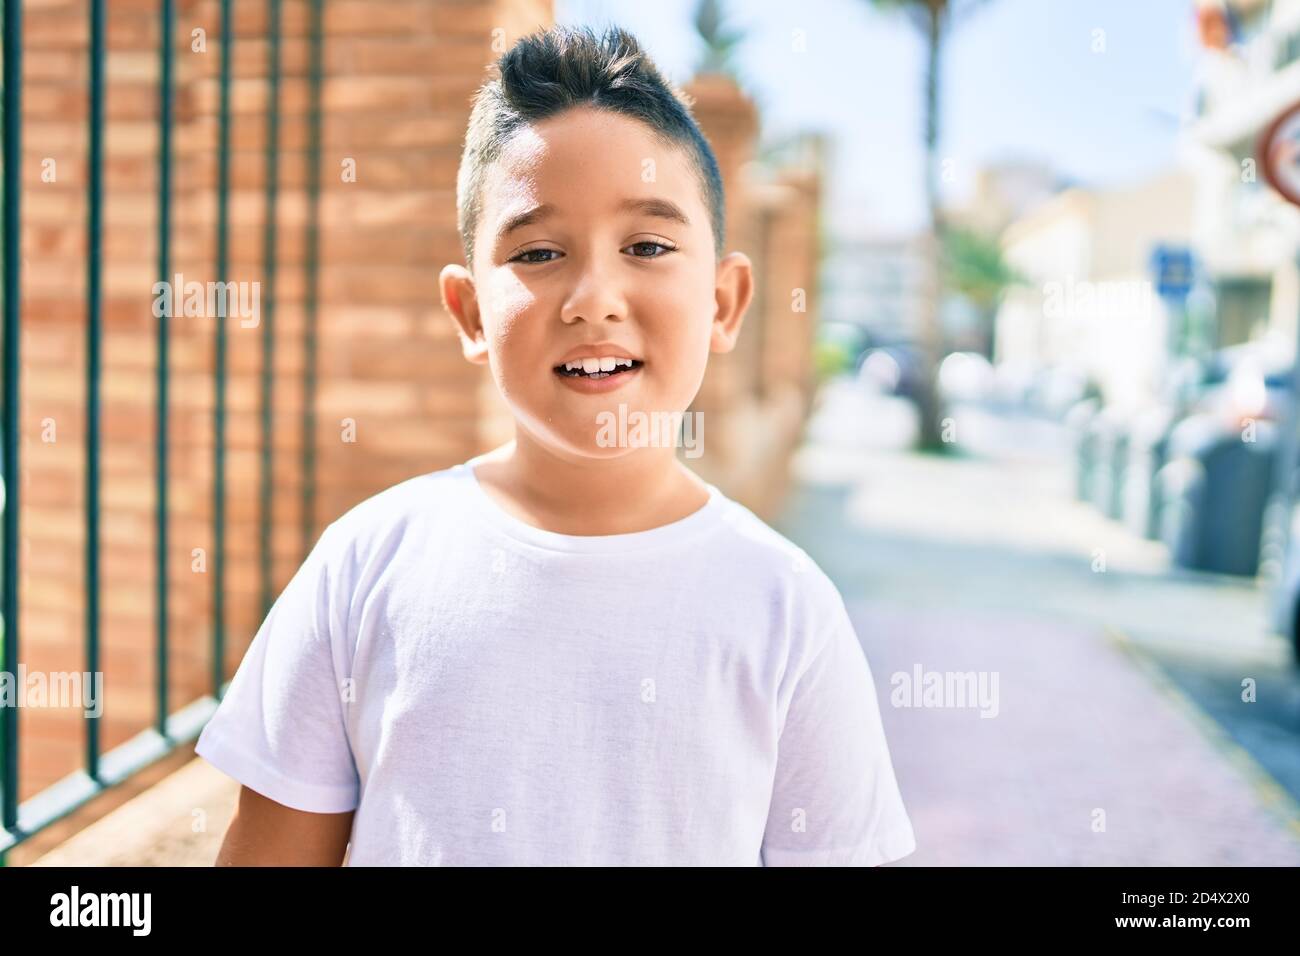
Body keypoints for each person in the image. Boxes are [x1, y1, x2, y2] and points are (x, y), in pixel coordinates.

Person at [196, 23, 915, 867]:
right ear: (469, 313)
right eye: (538, 252)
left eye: (647, 246)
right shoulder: (364, 565)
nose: (594, 296)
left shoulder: (787, 610)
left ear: (725, 302)